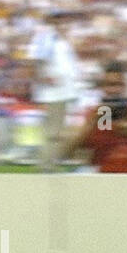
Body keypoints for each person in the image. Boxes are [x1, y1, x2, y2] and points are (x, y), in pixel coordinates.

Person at [58, 60, 127, 173]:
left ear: (125, 87)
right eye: (109, 85)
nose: (113, 90)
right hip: (103, 182)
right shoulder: (94, 115)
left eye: (118, 85)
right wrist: (91, 124)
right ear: (102, 87)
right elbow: (63, 153)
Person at [28, 11, 83, 171]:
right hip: (54, 92)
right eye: (59, 20)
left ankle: (50, 164)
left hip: (63, 91)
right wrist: (43, 77)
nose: (64, 23)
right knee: (53, 131)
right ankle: (46, 166)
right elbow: (36, 60)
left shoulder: (59, 39)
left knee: (57, 131)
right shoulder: (47, 37)